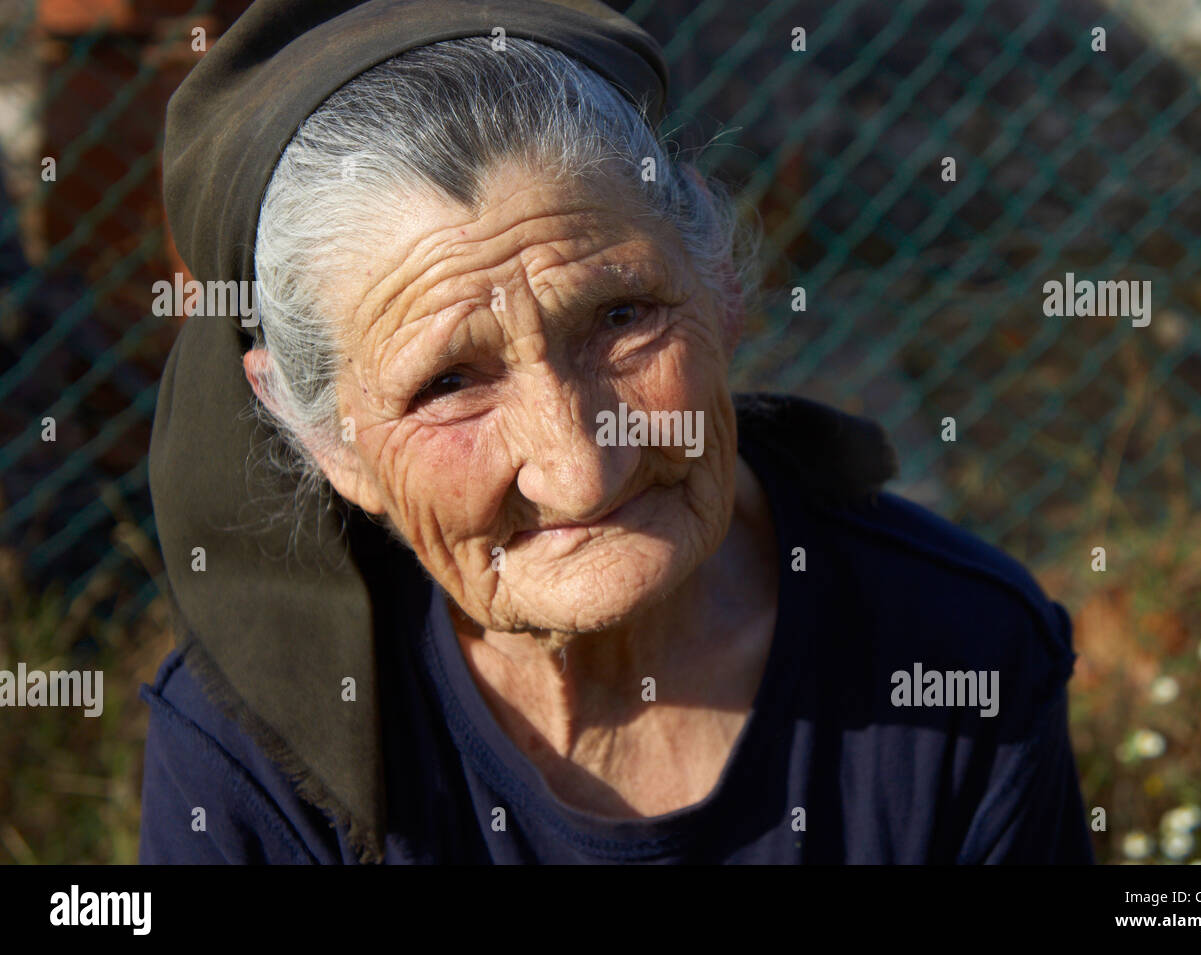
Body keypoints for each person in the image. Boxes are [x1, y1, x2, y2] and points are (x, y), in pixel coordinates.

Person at [139, 0, 1094, 864]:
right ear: (329, 442)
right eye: (448, 384)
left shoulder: (961, 656)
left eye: (622, 317)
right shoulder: (247, 758)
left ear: (719, 281)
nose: (580, 469)